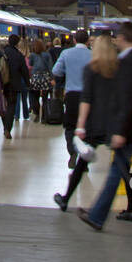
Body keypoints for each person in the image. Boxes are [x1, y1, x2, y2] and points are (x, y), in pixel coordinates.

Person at [78, 21, 132, 233]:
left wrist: (119, 131)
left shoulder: (124, 65)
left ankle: (97, 216)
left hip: (131, 130)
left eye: (117, 38)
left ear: (122, 38)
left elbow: (126, 100)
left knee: (116, 171)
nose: (115, 41)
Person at [53, 32, 132, 219]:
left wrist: (81, 125)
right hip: (115, 123)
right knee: (125, 168)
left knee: (82, 163)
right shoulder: (119, 69)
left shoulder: (92, 69)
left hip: (95, 123)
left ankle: (66, 198)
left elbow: (86, 99)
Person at [51, 28, 92, 165]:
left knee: (70, 126)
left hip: (71, 95)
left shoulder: (66, 53)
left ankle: (72, 151)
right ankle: (82, 158)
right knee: (85, 127)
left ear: (74, 40)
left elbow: (56, 70)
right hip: (88, 96)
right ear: (88, 41)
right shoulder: (92, 55)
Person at [0, 34, 31, 139]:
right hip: (14, 85)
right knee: (11, 107)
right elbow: (25, 71)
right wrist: (28, 84)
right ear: (17, 43)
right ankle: (7, 128)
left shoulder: (1, 53)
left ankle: (5, 126)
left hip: (1, 84)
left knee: (3, 106)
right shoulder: (19, 55)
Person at [28, 38, 54, 122]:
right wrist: (52, 78)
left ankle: (37, 115)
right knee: (45, 98)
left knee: (35, 97)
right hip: (45, 77)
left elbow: (30, 64)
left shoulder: (32, 55)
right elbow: (50, 67)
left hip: (35, 77)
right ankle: (44, 117)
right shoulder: (47, 54)